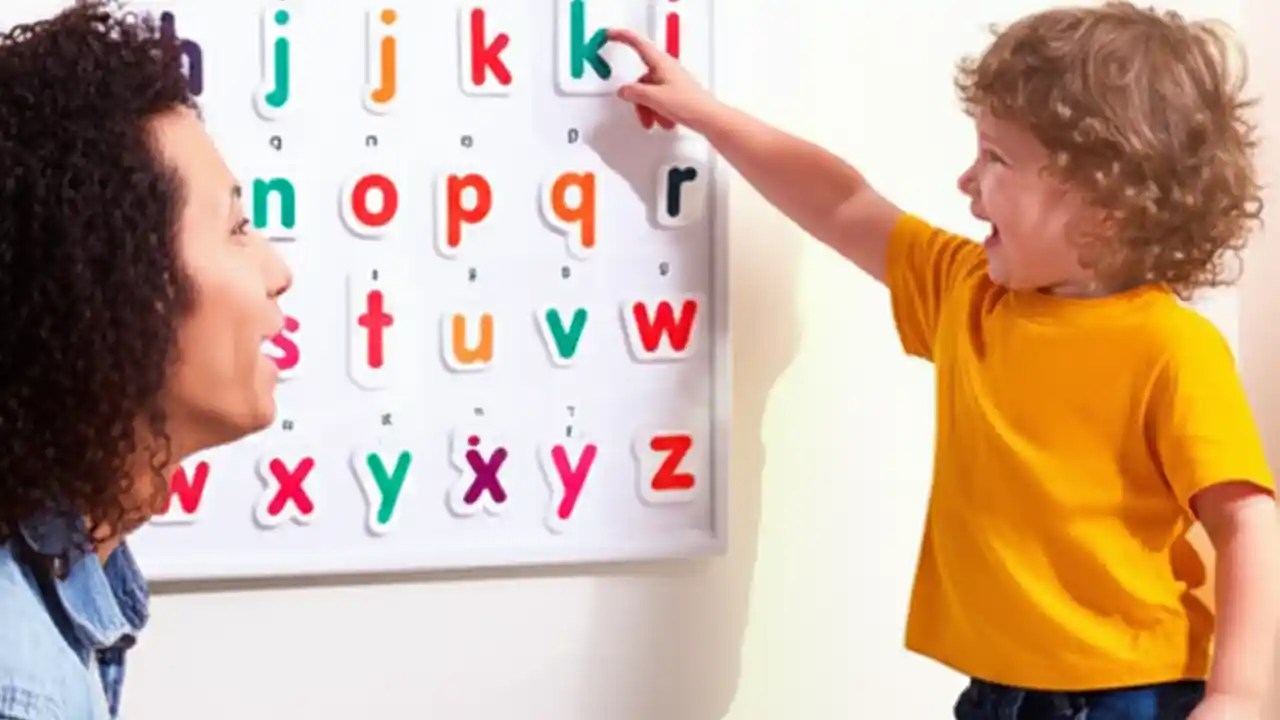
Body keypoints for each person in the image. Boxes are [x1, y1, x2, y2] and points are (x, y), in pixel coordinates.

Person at [607, 2, 1278, 719]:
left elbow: (1246, 521)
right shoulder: (969, 294)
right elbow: (842, 204)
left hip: (1128, 694)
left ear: (1104, 203)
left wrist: (1238, 693)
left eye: (996, 158)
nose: (967, 180)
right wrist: (706, 114)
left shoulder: (1171, 347)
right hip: (994, 693)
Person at [0, 1, 292, 717]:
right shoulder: (24, 689)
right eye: (237, 228)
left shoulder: (63, 578)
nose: (277, 271)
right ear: (122, 287)